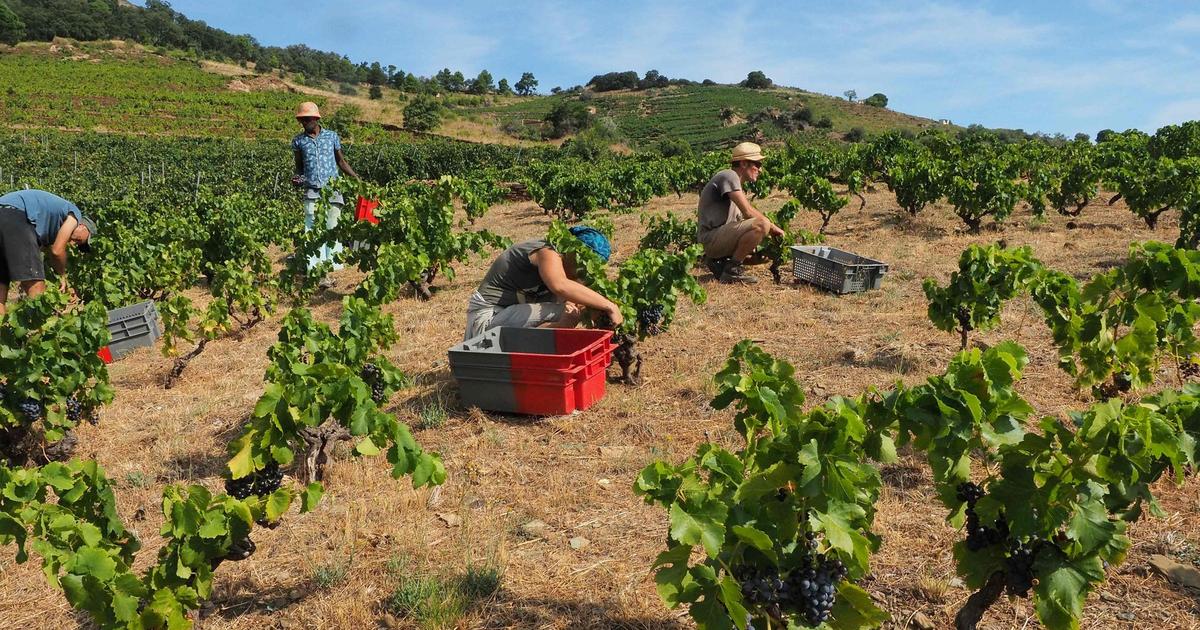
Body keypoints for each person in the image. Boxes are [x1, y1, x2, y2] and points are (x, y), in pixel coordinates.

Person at [464, 226, 624, 340]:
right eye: (584, 264)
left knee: (572, 310)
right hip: (485, 323)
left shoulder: (568, 266)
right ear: (573, 251)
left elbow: (579, 298)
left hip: (506, 321)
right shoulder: (546, 252)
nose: (585, 272)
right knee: (563, 312)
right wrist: (609, 306)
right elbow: (559, 285)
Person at [696, 142, 785, 284]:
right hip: (711, 239)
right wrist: (774, 229)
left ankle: (722, 263)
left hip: (716, 239)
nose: (760, 170)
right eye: (757, 164)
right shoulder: (729, 175)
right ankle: (731, 271)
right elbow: (748, 212)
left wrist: (750, 257)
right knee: (762, 224)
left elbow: (738, 222)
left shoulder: (735, 185)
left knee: (759, 245)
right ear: (743, 164)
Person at [0, 189, 97, 316]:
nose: (74, 244)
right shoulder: (75, 215)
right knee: (36, 287)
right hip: (14, 214)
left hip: (5, 213)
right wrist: (63, 276)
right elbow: (57, 251)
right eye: (79, 241)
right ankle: (42, 333)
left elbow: (33, 256)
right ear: (84, 227)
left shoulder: (48, 228)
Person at [291, 101, 359, 280]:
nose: (304, 123)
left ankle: (332, 265)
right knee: (312, 227)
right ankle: (314, 266)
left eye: (307, 119)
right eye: (301, 120)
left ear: (316, 118)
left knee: (332, 226)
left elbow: (341, 162)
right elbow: (299, 168)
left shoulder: (332, 137)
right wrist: (297, 179)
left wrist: (356, 178)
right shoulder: (298, 141)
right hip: (312, 190)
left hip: (333, 189)